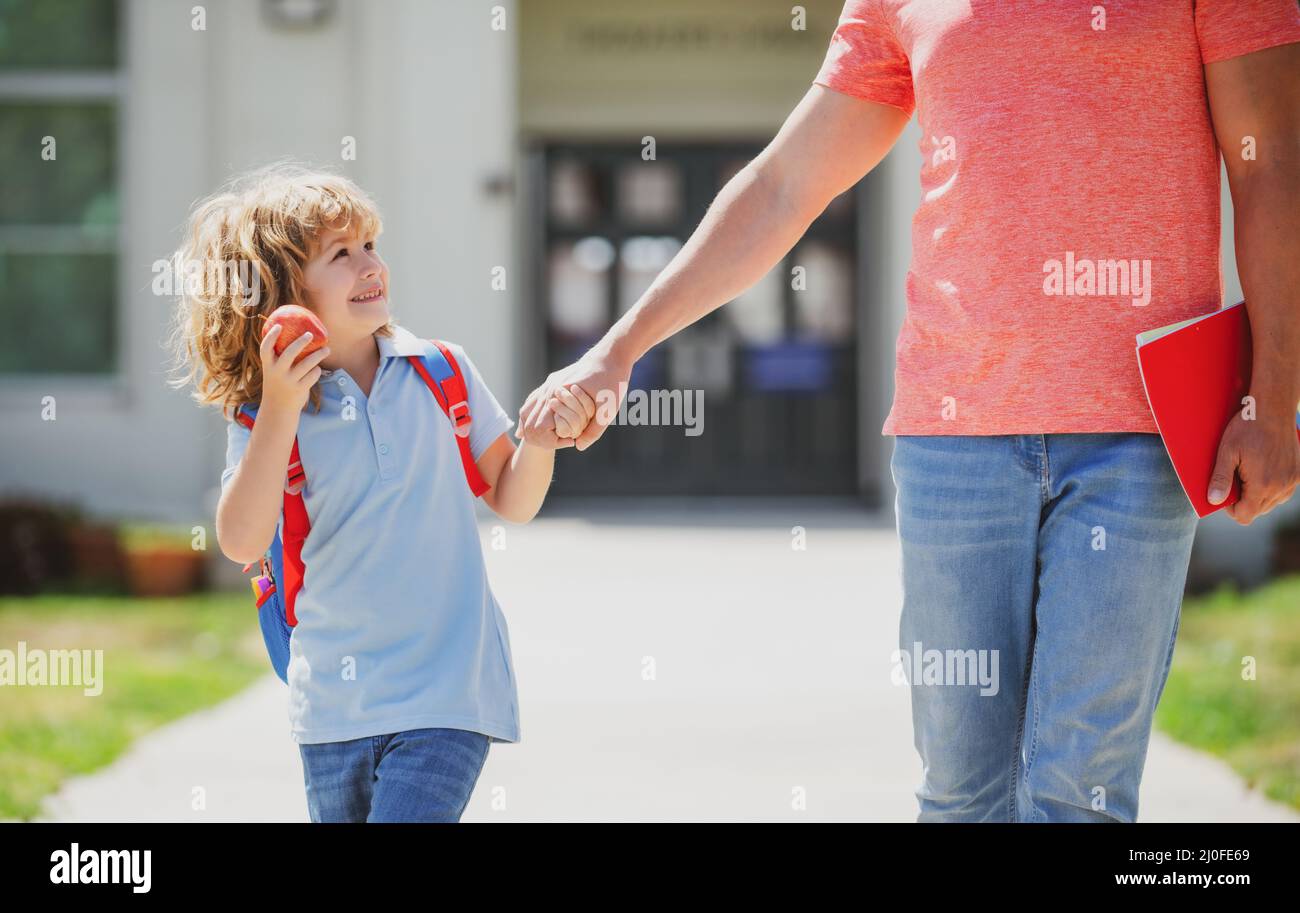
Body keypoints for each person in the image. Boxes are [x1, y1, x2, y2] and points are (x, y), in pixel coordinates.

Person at [518, 2, 1300, 821]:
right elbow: (786, 185)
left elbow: (1271, 162)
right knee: (964, 790)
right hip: (953, 438)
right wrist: (620, 347)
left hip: (1140, 434)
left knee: (1081, 791)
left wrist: (1273, 396)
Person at [167, 163, 591, 822]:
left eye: (371, 245)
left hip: (448, 696)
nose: (371, 265)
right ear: (282, 294)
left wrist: (538, 442)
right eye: (342, 254)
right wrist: (281, 404)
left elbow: (512, 498)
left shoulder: (440, 371)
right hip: (332, 710)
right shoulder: (262, 415)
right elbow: (241, 539)